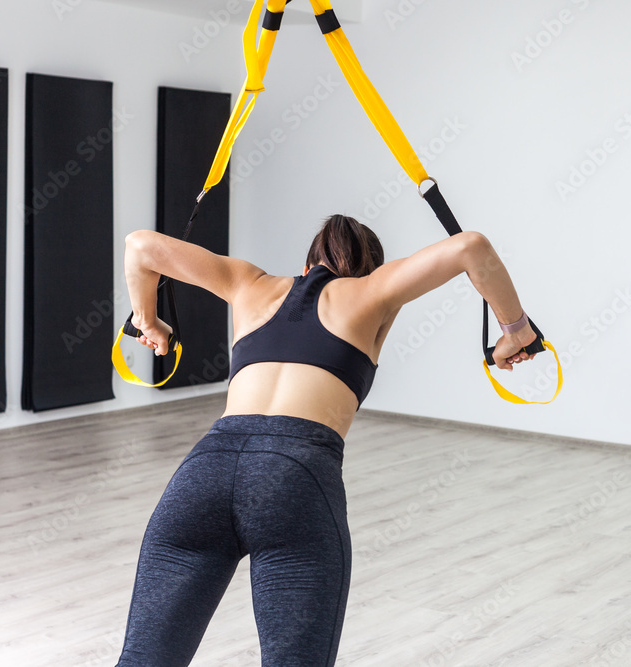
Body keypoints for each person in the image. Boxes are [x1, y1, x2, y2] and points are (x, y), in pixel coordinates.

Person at [114, 214, 538, 666]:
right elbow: (470, 246)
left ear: (306, 264)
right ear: (370, 269)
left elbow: (140, 246)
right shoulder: (374, 291)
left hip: (205, 470)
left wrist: (149, 320)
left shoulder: (247, 282)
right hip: (294, 476)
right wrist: (517, 331)